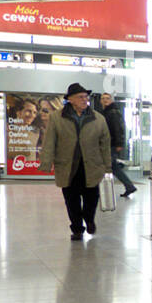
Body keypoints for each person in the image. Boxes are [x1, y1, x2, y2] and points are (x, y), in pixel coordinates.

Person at [39, 82, 111, 240]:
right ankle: (77, 228)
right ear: (70, 99)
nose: (85, 100)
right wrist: (46, 162)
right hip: (67, 166)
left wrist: (108, 166)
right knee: (71, 200)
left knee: (92, 197)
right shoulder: (57, 118)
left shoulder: (98, 119)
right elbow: (50, 140)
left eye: (86, 97)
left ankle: (89, 219)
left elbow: (105, 144)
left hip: (91, 165)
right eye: (80, 97)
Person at [96, 92, 137, 197]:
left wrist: (119, 143)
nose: (105, 100)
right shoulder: (105, 112)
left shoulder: (112, 112)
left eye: (107, 98)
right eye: (103, 98)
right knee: (112, 166)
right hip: (107, 144)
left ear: (111, 100)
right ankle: (129, 186)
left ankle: (129, 186)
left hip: (111, 144)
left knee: (111, 166)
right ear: (101, 101)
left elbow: (118, 129)